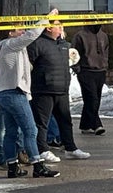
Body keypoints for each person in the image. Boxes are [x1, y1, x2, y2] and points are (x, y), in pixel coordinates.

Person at [0, 9, 61, 179]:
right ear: (10, 33)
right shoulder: (11, 44)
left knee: (11, 132)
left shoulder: (2, 47)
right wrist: (47, 19)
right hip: (16, 93)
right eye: (19, 29)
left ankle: (12, 166)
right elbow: (32, 35)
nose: (22, 32)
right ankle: (38, 166)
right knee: (31, 130)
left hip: (4, 93)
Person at [27, 20, 89, 161]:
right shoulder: (37, 44)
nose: (61, 28)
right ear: (48, 28)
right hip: (43, 89)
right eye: (58, 25)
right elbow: (28, 65)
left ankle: (70, 148)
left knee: (65, 120)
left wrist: (75, 64)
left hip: (62, 89)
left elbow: (68, 63)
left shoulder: (64, 45)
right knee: (42, 122)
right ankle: (42, 150)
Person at [72, 21, 109, 135]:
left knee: (94, 99)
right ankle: (96, 124)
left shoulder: (103, 36)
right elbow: (74, 53)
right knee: (92, 98)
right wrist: (76, 67)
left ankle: (85, 124)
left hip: (100, 71)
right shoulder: (80, 36)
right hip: (86, 71)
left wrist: (105, 64)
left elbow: (106, 51)